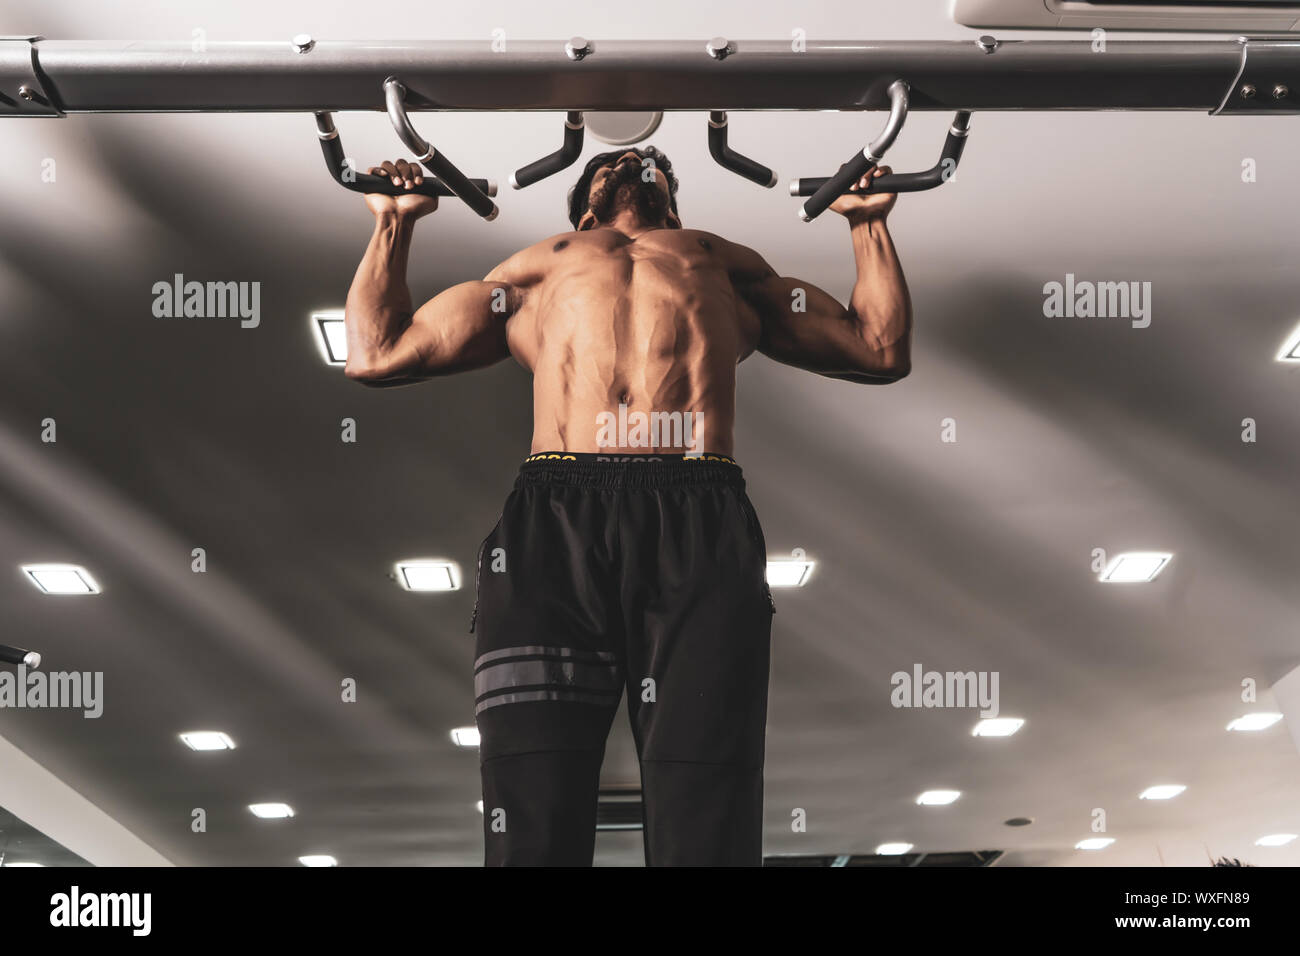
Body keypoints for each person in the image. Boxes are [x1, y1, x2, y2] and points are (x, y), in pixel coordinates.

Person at [343, 146, 912, 866]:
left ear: (673, 203)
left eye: (654, 164)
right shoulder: (532, 273)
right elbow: (374, 352)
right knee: (531, 805)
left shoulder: (729, 271)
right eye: (621, 160)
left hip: (698, 516)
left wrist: (867, 226)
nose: (640, 158)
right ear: (582, 206)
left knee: (707, 798)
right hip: (552, 523)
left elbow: (880, 347)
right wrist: (392, 224)